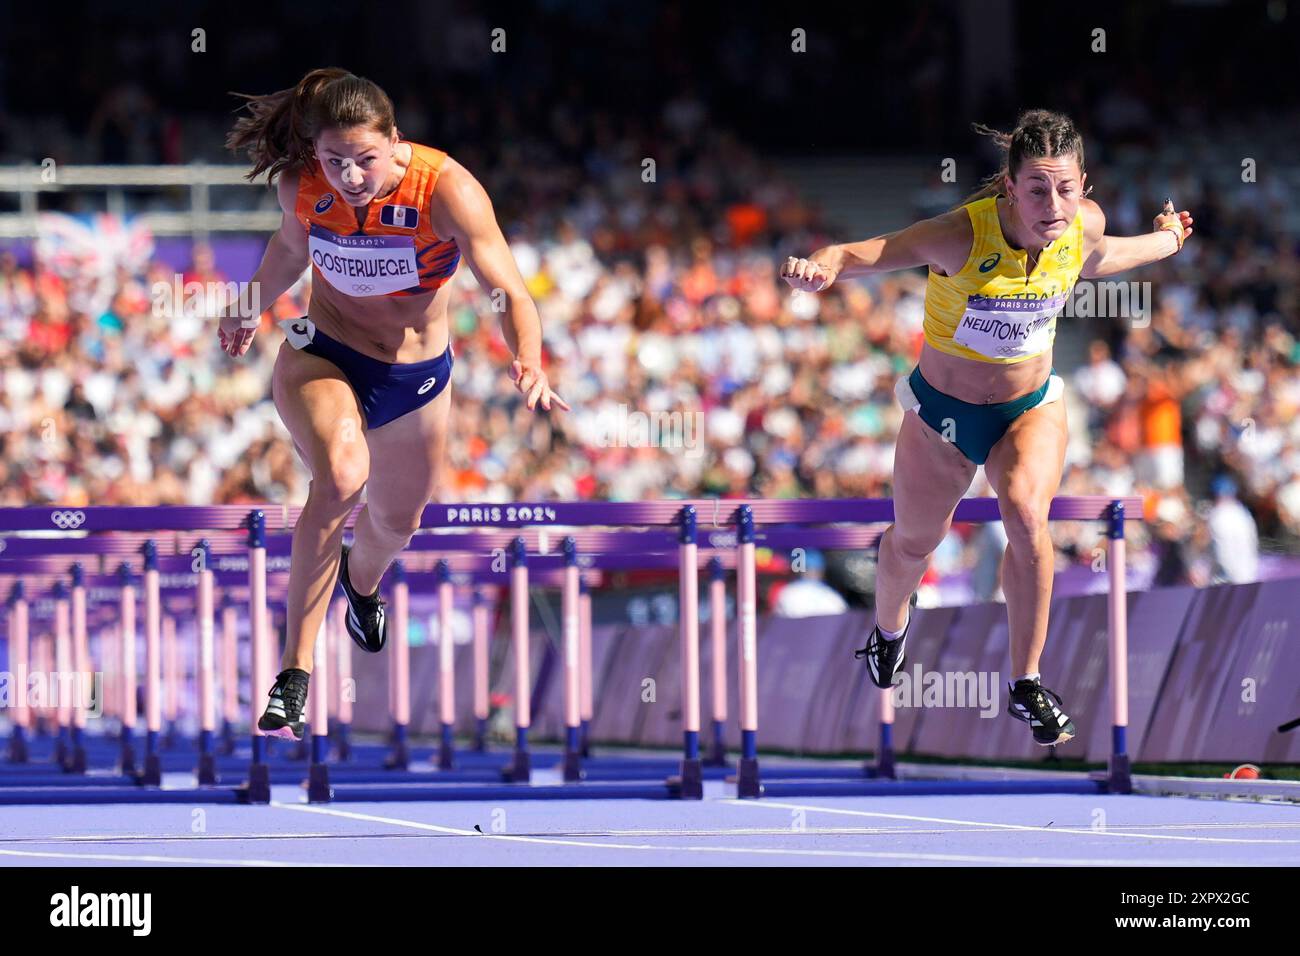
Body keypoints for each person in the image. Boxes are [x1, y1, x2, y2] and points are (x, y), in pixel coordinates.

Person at [782, 109, 1193, 746]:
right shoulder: (959, 237)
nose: (1051, 205)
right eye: (1035, 189)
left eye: (1064, 188)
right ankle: (889, 630)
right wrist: (823, 265)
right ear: (1008, 186)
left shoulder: (1081, 225)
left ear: (1083, 185)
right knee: (913, 546)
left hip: (1028, 408)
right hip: (944, 415)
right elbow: (865, 253)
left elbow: (1104, 256)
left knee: (1027, 513)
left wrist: (1168, 240)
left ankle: (1026, 680)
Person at [222, 68, 568, 740]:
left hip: (416, 376)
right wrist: (247, 307)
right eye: (334, 161)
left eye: (365, 160)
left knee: (398, 522)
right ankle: (295, 672)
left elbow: (510, 290)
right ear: (315, 153)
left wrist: (528, 354)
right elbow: (287, 254)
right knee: (343, 476)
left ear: (395, 141)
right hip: (323, 350)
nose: (350, 176)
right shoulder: (303, 187)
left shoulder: (447, 190)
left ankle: (363, 584)